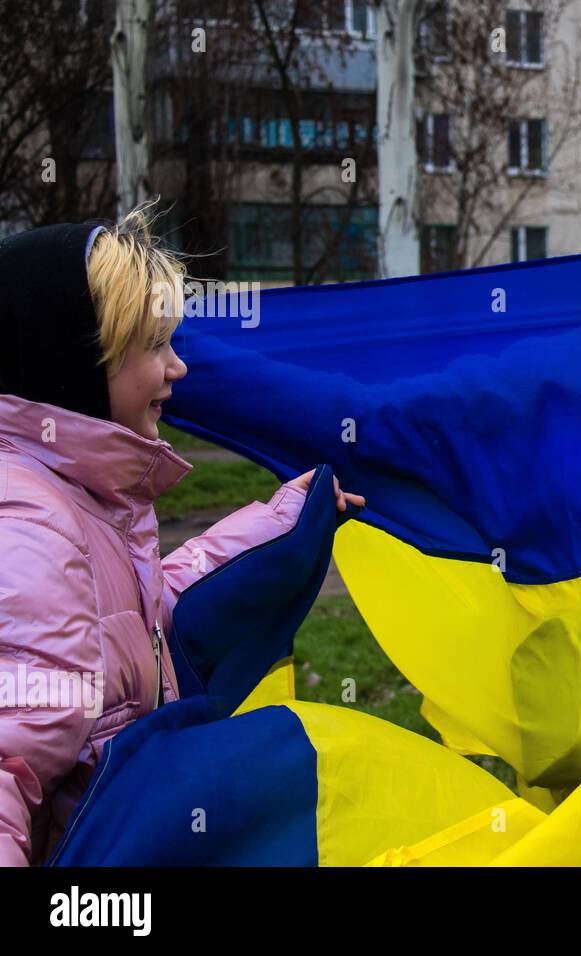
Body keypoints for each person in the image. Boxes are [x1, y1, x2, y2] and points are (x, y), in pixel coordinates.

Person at [0, 204, 364, 866]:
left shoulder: (76, 500)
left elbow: (130, 629)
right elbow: (9, 763)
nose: (177, 368)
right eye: (153, 345)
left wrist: (282, 522)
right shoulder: (30, 525)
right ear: (77, 362)